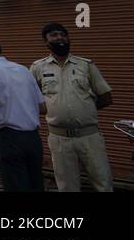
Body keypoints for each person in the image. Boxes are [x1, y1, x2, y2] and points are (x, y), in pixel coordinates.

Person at [30, 22, 114, 192]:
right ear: (45, 42)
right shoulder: (37, 68)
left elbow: (106, 97)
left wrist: (84, 108)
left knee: (103, 183)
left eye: (63, 34)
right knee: (67, 187)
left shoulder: (86, 65)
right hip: (59, 139)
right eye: (54, 35)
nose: (60, 38)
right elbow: (30, 99)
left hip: (89, 136)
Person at [0, 32, 45, 191]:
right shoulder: (23, 69)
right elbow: (42, 108)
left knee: (16, 185)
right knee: (36, 183)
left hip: (8, 139)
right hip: (33, 139)